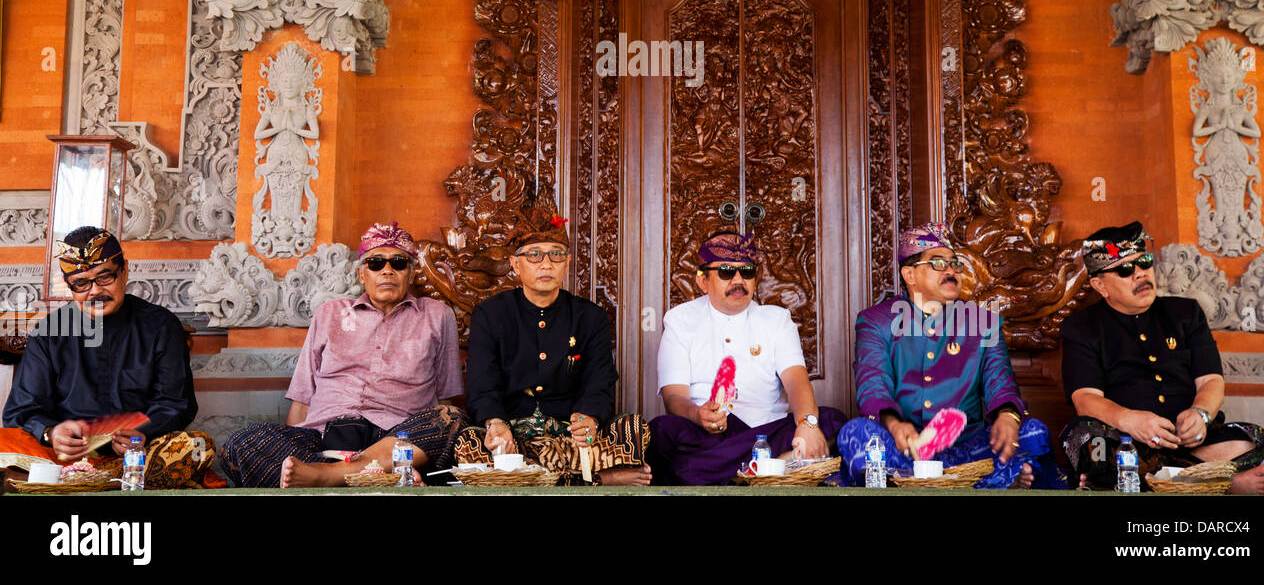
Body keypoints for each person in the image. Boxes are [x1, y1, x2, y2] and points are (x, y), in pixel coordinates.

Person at [219, 222, 468, 487]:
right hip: (325, 437)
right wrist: (293, 448)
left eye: (398, 262)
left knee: (451, 418)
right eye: (375, 263)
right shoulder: (330, 314)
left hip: (396, 440)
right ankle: (369, 478)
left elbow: (445, 398)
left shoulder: (437, 316)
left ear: (411, 273)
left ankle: (329, 477)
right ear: (362, 274)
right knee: (240, 444)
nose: (387, 270)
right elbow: (303, 399)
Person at [837, 222, 1066, 488]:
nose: (951, 271)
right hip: (905, 451)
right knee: (855, 433)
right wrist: (895, 425)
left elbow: (1000, 383)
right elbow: (872, 387)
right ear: (910, 275)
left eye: (955, 264)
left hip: (968, 453)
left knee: (1032, 431)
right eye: (937, 263)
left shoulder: (983, 323)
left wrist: (1007, 416)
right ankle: (994, 481)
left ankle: (970, 480)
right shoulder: (876, 321)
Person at [1059, 221, 1264, 494]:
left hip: (1189, 444)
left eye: (1145, 262)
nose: (1140, 274)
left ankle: (1154, 482)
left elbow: (1210, 380)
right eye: (1125, 269)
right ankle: (1213, 482)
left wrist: (1201, 415)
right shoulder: (1082, 328)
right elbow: (1085, 398)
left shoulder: (1185, 313)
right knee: (1086, 439)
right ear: (1100, 285)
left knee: (1251, 439)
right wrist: (1130, 421)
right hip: (1125, 442)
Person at [455, 198, 651, 485]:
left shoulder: (589, 316)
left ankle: (541, 480)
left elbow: (599, 380)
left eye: (556, 255)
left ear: (567, 263)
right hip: (513, 440)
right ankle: (596, 480)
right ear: (515, 264)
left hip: (571, 439)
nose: (546, 264)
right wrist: (495, 423)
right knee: (469, 442)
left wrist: (589, 419)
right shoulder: (490, 313)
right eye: (534, 255)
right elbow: (482, 383)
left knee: (633, 428)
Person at [1, 226, 213, 487]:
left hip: (137, 455)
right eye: (81, 283)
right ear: (70, 286)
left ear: (124, 272)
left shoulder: (161, 326)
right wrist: (51, 433)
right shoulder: (48, 332)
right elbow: (21, 411)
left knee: (195, 446)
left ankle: (86, 484)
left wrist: (142, 434)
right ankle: (101, 483)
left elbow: (175, 403)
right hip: (63, 458)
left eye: (104, 278)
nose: (94, 291)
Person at [647, 231, 846, 485]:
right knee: (661, 431)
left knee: (831, 420)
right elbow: (673, 397)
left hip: (767, 432)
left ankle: (743, 470)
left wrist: (807, 424)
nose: (738, 280)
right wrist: (698, 415)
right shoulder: (679, 321)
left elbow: (796, 380)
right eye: (727, 272)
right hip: (705, 435)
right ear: (703, 281)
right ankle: (776, 465)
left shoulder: (777, 319)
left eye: (747, 271)